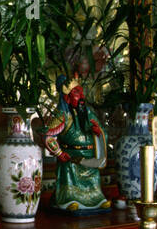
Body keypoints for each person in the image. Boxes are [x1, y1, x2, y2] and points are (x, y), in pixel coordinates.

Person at [44, 76, 110, 214]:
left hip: (90, 157)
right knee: (70, 171)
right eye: (76, 93)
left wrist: (98, 132)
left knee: (94, 177)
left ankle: (97, 199)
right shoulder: (62, 115)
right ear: (67, 97)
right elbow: (49, 136)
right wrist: (59, 153)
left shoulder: (88, 112)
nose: (81, 96)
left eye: (81, 92)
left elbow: (102, 131)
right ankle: (68, 200)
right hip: (72, 158)